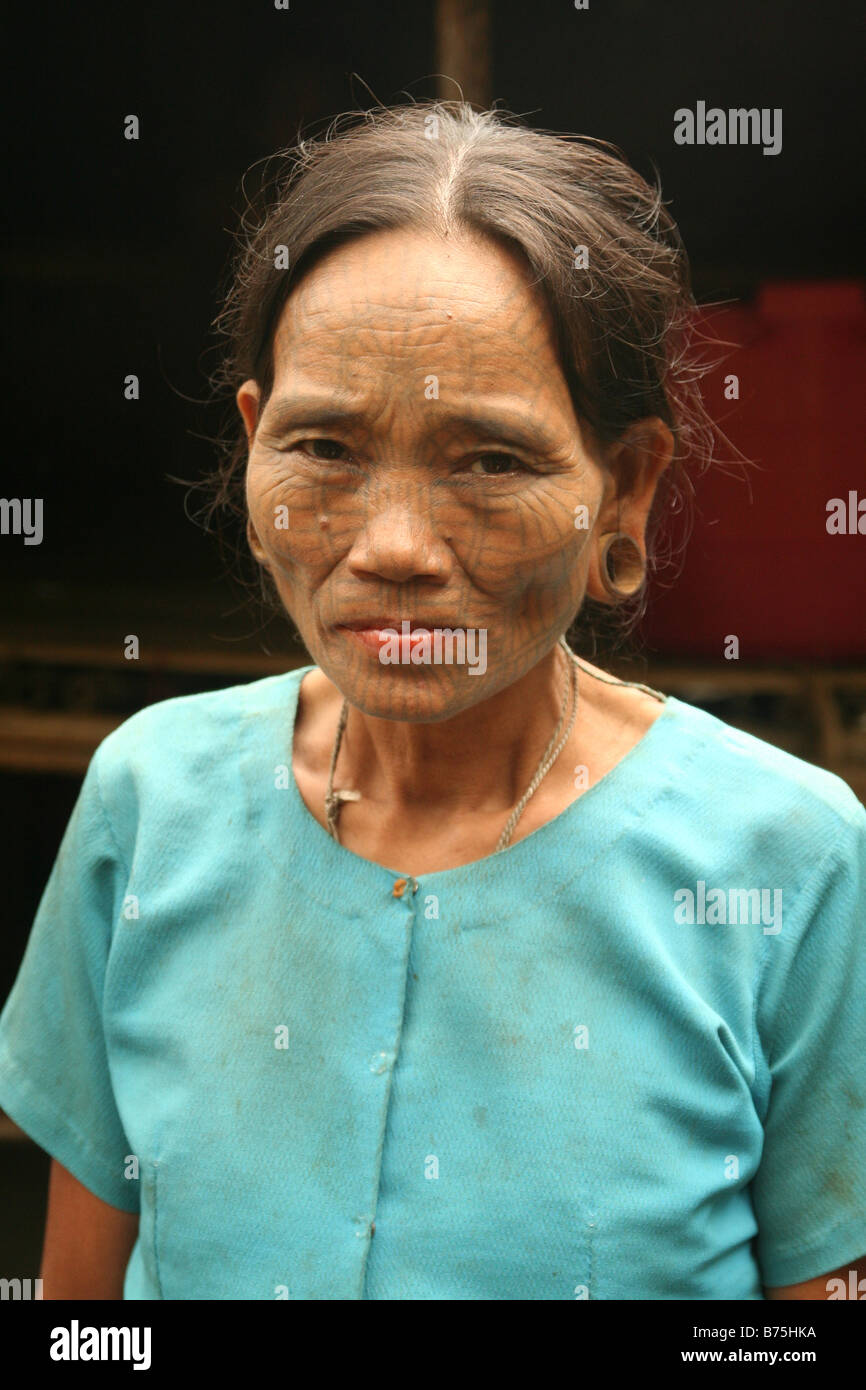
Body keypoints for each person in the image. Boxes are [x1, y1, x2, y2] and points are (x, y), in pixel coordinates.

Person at [1, 102, 863, 1301]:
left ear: (621, 489)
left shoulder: (789, 862)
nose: (395, 547)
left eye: (490, 460)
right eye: (325, 449)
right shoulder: (149, 802)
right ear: (252, 447)